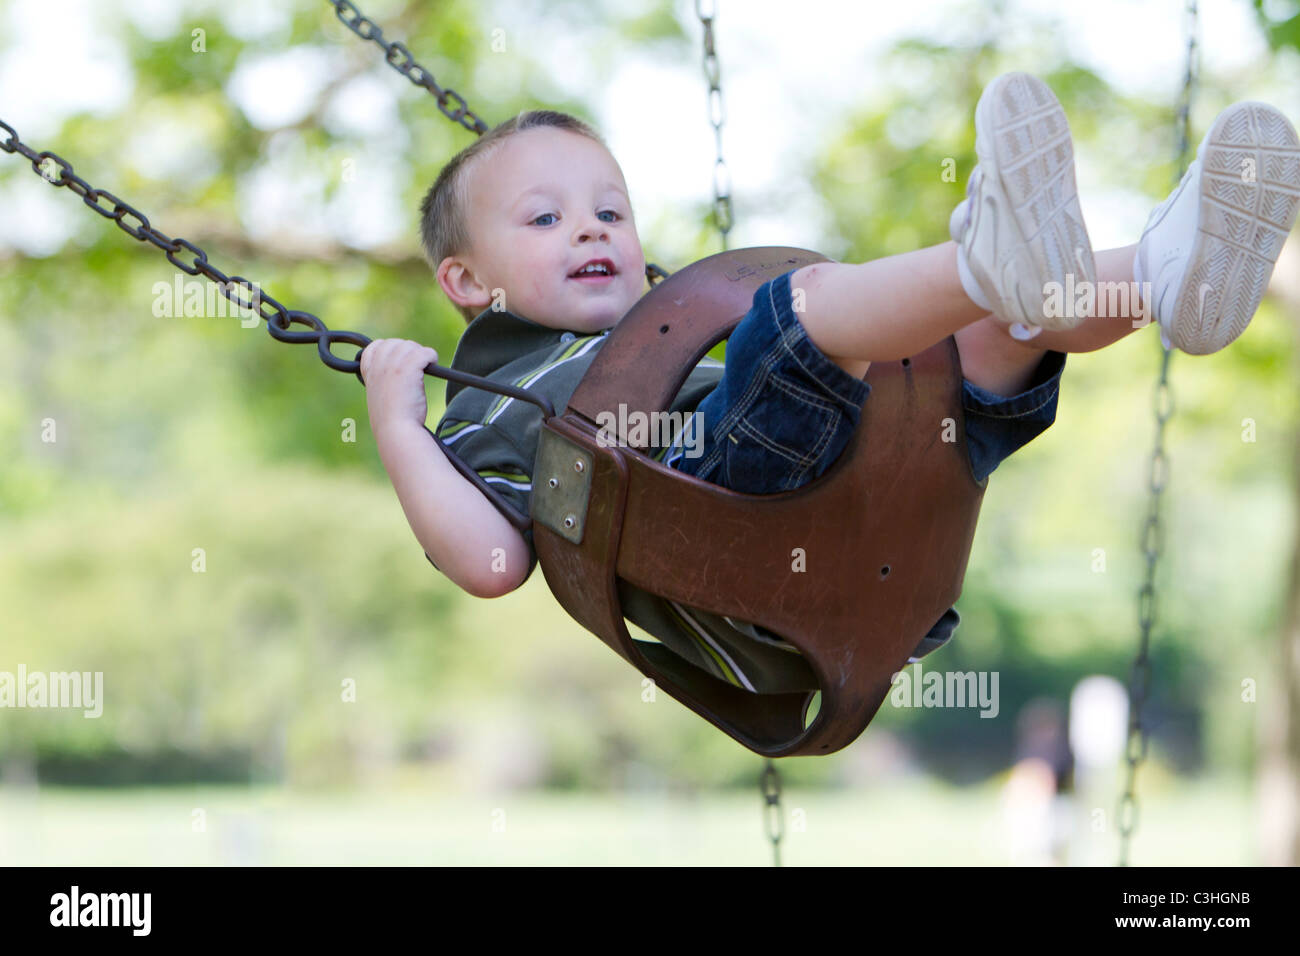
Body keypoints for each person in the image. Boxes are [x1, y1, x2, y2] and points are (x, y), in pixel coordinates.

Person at [359, 73, 1300, 693]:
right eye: (546, 218)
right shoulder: (486, 409)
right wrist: (400, 428)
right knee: (797, 307)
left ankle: (1156, 278)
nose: (593, 230)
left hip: (879, 517)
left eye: (610, 210)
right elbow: (493, 566)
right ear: (468, 284)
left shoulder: (668, 346)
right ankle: (987, 259)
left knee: (968, 343)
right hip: (738, 533)